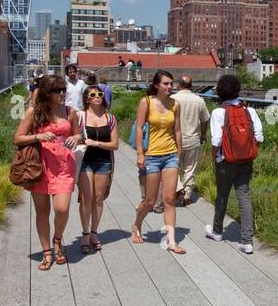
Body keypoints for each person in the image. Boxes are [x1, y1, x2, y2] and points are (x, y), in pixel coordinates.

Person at [14, 74, 81, 269]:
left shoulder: (70, 111)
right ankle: (47, 251)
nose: (61, 93)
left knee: (62, 208)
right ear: (46, 92)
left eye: (63, 90)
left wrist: (76, 139)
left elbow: (78, 135)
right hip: (40, 166)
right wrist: (38, 135)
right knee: (42, 212)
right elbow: (17, 138)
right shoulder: (33, 112)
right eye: (56, 90)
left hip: (64, 165)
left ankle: (58, 239)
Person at [206, 73, 264, 254]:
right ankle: (247, 241)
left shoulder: (218, 112)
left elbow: (216, 142)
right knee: (244, 197)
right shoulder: (250, 110)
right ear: (238, 90)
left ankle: (216, 231)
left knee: (222, 195)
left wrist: (215, 159)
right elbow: (259, 138)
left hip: (225, 161)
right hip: (246, 161)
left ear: (221, 92)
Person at [130, 69, 185, 253]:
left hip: (170, 155)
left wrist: (179, 152)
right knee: (150, 201)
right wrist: (140, 153)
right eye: (166, 83)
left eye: (171, 83)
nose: (170, 86)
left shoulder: (175, 104)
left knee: (169, 198)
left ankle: (172, 241)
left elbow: (177, 130)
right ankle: (137, 224)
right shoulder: (147, 102)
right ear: (156, 85)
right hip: (152, 156)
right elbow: (139, 128)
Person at [75, 84, 118, 253]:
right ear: (87, 99)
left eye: (100, 94)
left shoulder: (110, 118)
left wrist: (97, 143)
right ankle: (85, 233)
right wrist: (79, 138)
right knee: (87, 198)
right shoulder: (81, 117)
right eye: (93, 94)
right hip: (85, 161)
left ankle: (94, 233)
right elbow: (73, 136)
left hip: (103, 161)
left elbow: (115, 145)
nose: (97, 96)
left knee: (98, 198)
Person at [172, 76, 210, 206]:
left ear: (178, 85)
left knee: (172, 167)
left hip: (174, 140)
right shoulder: (199, 100)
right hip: (193, 139)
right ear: (191, 86)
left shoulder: (172, 99)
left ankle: (178, 188)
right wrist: (203, 134)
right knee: (190, 168)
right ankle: (187, 194)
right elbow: (205, 119)